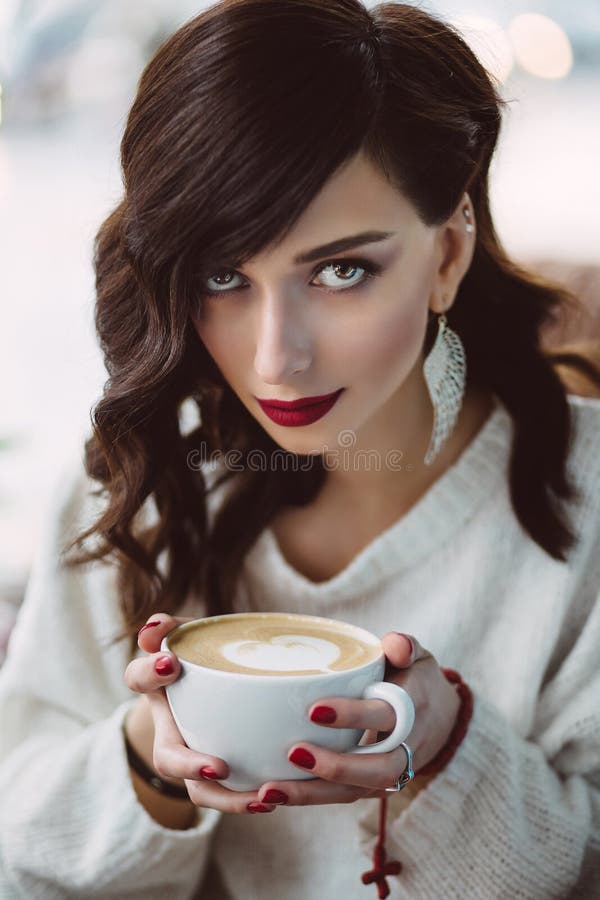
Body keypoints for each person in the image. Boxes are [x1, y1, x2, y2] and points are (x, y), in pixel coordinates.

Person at [1, 1, 599, 897]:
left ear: (445, 254)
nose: (277, 354)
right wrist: (148, 762)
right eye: (222, 275)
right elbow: (19, 843)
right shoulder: (131, 486)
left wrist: (448, 753)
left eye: (341, 270)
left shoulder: (586, 499)